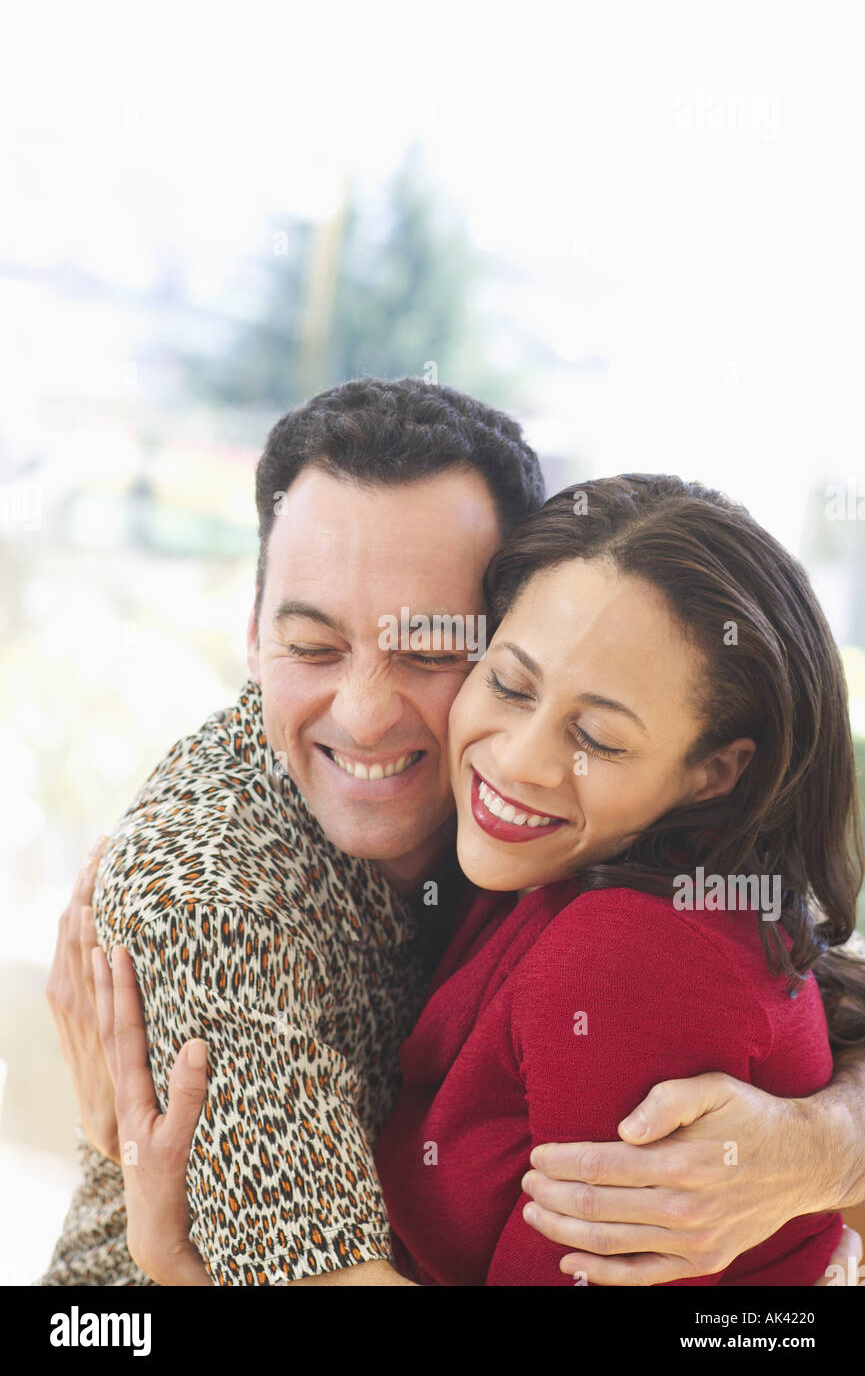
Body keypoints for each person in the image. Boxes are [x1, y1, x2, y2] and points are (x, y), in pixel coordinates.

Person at [45, 387, 865, 1285]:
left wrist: (820, 1149)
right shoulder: (208, 904)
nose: (360, 718)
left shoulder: (590, 875)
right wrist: (175, 1267)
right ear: (252, 637)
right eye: (313, 647)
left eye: (432, 654)